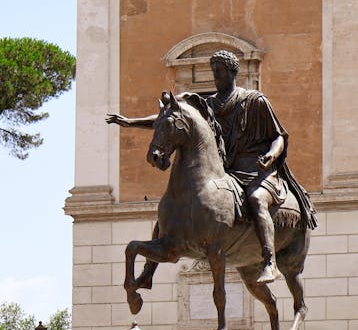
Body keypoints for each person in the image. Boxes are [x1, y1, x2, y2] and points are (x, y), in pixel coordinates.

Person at [107, 50, 315, 283]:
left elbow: (279, 137)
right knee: (171, 212)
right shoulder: (209, 106)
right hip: (227, 170)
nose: (217, 76)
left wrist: (270, 155)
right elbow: (167, 120)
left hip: (257, 169)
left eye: (220, 71)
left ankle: (269, 261)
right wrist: (130, 122)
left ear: (233, 72)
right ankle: (149, 271)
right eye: (214, 72)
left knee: (257, 200)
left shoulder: (254, 100)